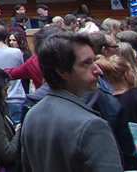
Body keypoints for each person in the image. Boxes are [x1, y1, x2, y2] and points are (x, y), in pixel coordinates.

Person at [18, 31, 123, 172]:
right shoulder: (91, 125)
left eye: (94, 60)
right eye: (86, 63)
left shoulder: (32, 115)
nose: (98, 70)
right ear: (62, 72)